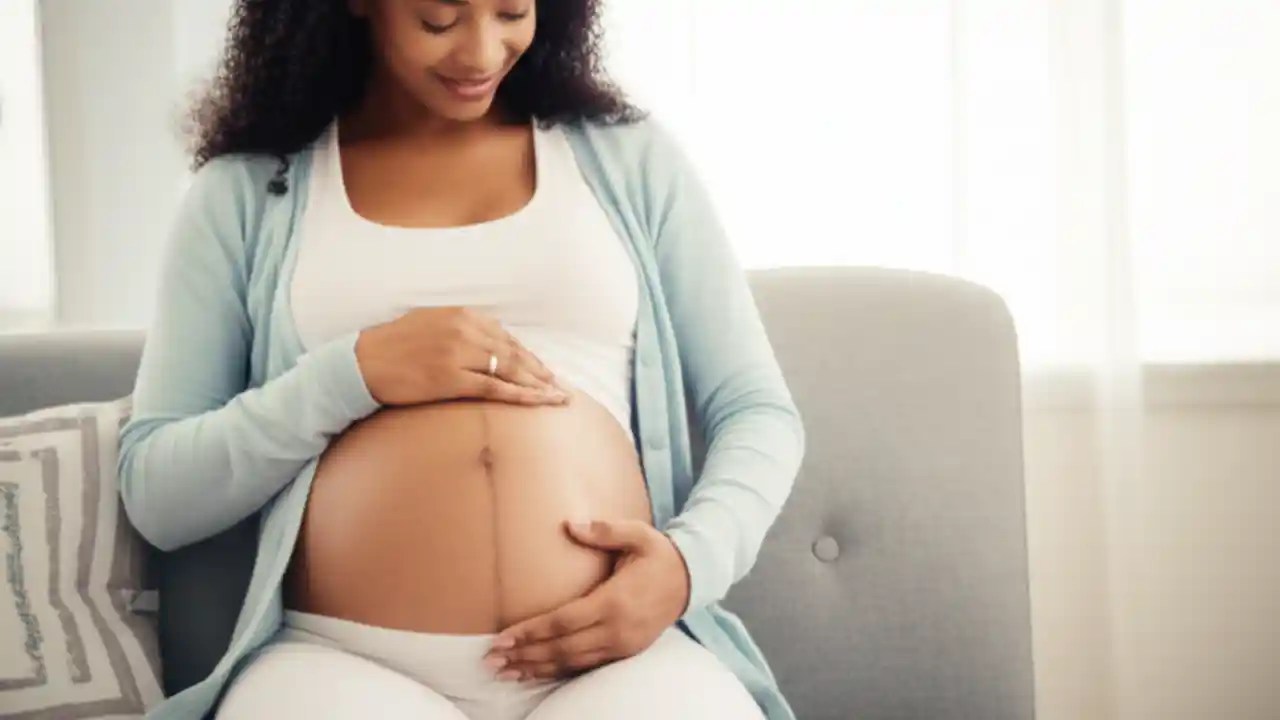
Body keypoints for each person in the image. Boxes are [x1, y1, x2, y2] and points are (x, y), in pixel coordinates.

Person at [117, 1, 806, 718]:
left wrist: (686, 569)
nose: (481, 53)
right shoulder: (247, 191)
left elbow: (756, 412)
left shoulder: (627, 160)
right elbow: (158, 491)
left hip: (620, 661)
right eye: (439, 20)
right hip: (342, 663)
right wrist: (350, 375)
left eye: (512, 11)